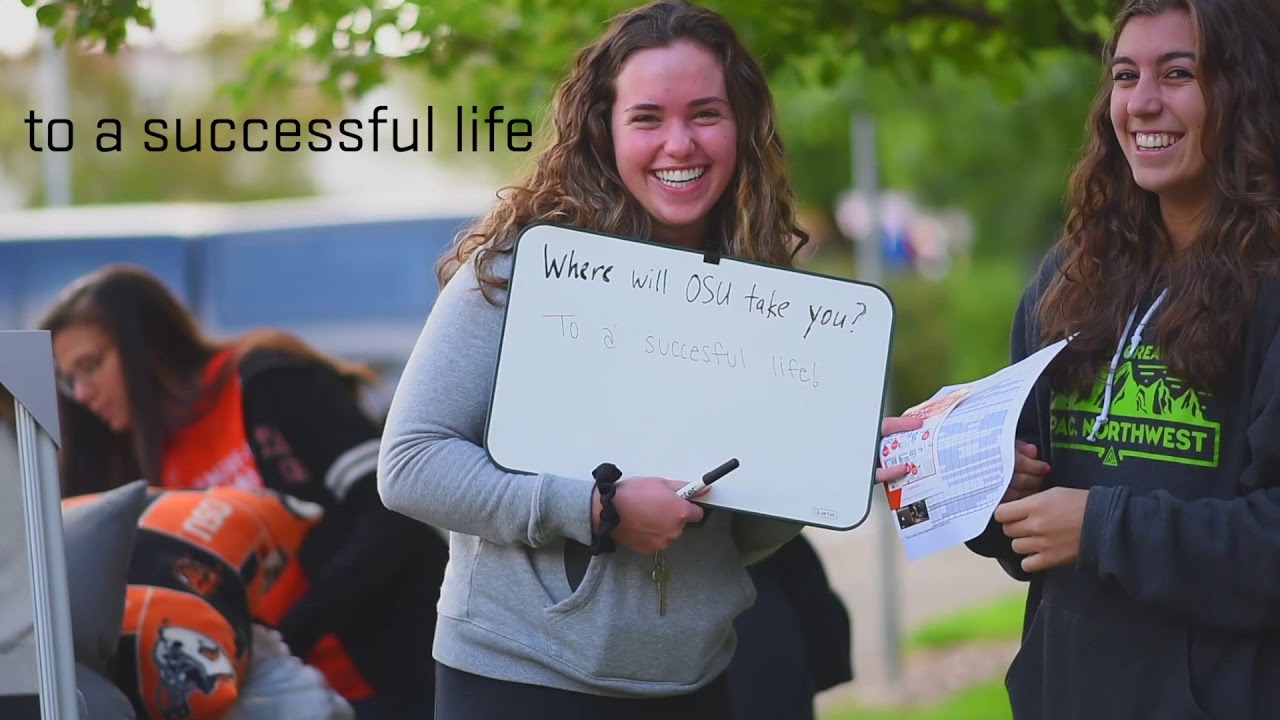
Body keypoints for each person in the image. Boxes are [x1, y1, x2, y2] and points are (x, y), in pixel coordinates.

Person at [376, 2, 916, 717]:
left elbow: (745, 536)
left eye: (705, 114)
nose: (679, 144)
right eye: (648, 119)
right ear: (603, 128)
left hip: (696, 680)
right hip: (517, 680)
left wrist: (825, 461)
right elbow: (411, 463)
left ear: (744, 124)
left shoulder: (764, 297)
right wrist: (595, 511)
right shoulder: (519, 268)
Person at [961, 0, 1280, 717]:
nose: (1141, 103)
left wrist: (1104, 528)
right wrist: (976, 489)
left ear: (1247, 89)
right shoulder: (1068, 281)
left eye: (1178, 73)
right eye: (1125, 75)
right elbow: (1031, 533)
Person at [39, 264, 449, 720]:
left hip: (400, 671)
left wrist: (295, 628)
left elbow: (392, 512)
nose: (82, 392)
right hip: (282, 694)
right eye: (68, 379)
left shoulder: (267, 382)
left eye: (91, 366)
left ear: (146, 346)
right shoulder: (138, 459)